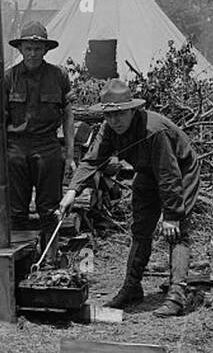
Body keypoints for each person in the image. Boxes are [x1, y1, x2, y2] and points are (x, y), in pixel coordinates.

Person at [59, 79, 200, 315]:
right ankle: (132, 287)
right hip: (147, 171)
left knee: (176, 232)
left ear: (133, 110)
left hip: (180, 172)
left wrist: (172, 215)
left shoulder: (154, 130)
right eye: (110, 116)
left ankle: (177, 295)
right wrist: (72, 191)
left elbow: (169, 174)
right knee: (140, 229)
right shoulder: (109, 129)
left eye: (120, 115)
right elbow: (92, 160)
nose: (115, 121)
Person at [3, 21, 74, 235]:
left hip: (48, 147)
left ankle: (50, 259)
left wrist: (69, 156)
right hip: (16, 149)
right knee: (15, 209)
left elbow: (68, 117)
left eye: (37, 49)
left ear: (45, 50)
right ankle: (21, 258)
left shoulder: (58, 76)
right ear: (20, 49)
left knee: (50, 208)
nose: (32, 54)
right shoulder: (8, 77)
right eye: (28, 49)